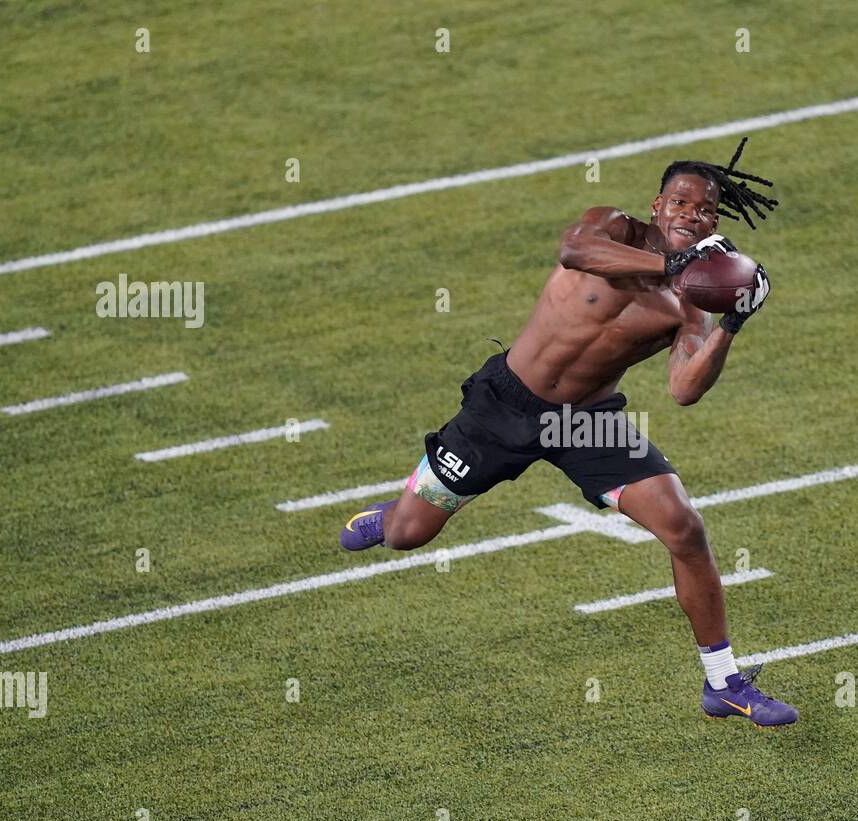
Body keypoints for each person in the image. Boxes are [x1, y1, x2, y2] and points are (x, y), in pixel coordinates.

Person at [341, 138, 795, 727]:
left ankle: (723, 681)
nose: (691, 214)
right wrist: (671, 265)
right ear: (657, 206)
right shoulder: (613, 228)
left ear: (715, 223)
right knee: (407, 536)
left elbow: (684, 388)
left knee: (685, 527)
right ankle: (400, 507)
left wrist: (731, 323)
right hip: (504, 405)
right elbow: (576, 250)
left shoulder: (690, 301)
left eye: (705, 210)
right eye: (680, 202)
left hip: (585, 421)